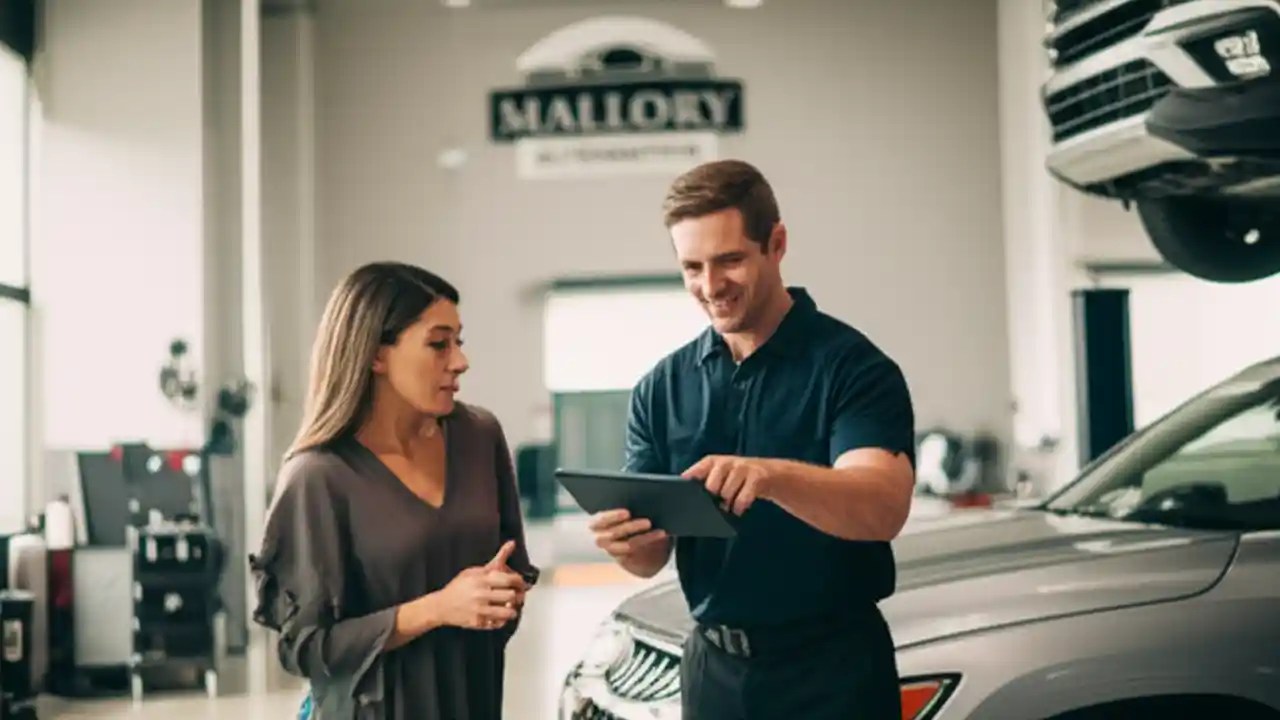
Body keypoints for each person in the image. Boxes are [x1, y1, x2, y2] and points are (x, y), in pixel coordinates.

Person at [588, 160, 916, 719]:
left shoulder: (853, 368)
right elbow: (650, 558)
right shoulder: (660, 389)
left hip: (832, 673)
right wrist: (628, 543)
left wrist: (771, 476)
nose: (710, 286)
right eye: (691, 267)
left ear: (777, 243)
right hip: (714, 672)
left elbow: (883, 506)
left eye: (730, 261)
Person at [249, 261, 539, 720]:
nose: (460, 361)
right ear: (375, 355)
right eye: (437, 344)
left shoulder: (480, 436)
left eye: (458, 342)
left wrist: (505, 594)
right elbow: (303, 647)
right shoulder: (318, 476)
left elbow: (515, 568)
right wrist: (438, 608)